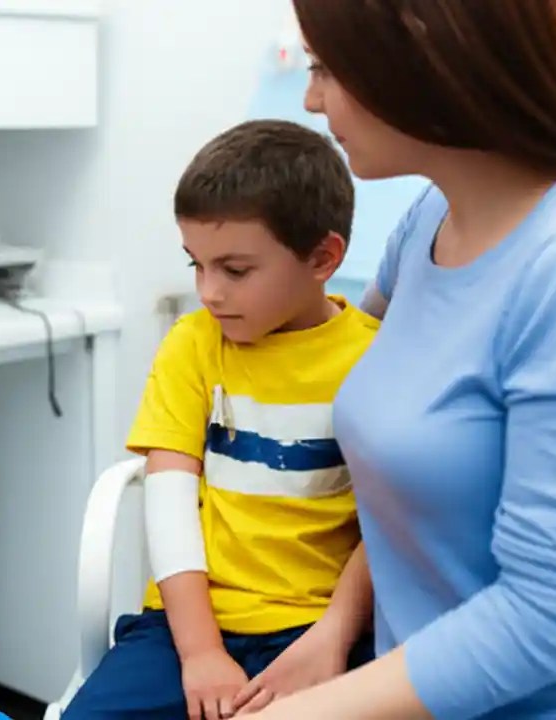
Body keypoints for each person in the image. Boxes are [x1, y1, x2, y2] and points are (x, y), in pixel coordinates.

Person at [242, 2, 556, 719]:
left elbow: (553, 613)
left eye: (327, 68)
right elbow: (403, 483)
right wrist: (336, 626)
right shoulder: (430, 220)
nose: (311, 99)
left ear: (425, 47)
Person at [63, 120, 378, 720]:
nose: (209, 292)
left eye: (234, 271)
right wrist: (201, 651)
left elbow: (388, 524)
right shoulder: (193, 344)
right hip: (188, 623)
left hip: (320, 628)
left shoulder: (376, 359)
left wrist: (333, 637)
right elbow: (169, 497)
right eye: (196, 266)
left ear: (322, 257)